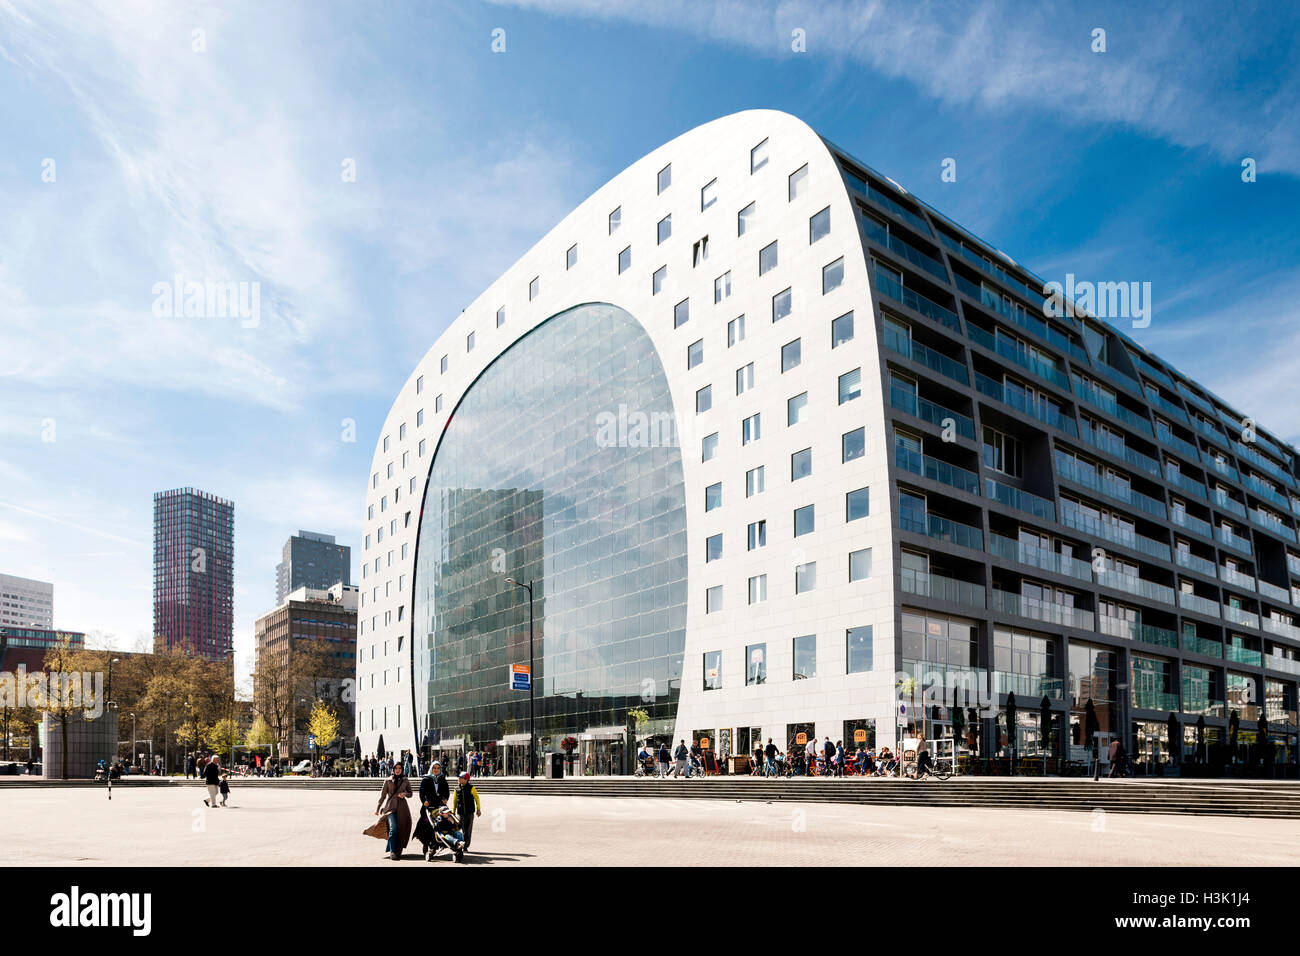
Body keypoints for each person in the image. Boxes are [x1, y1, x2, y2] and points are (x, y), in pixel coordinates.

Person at [374, 760, 413, 861]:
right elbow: (382, 796)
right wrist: (377, 808)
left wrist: (405, 794)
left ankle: (397, 850)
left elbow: (410, 793)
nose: (398, 770)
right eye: (396, 768)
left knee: (401, 829)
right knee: (393, 829)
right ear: (393, 769)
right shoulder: (387, 780)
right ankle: (392, 851)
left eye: (400, 768)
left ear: (402, 769)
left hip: (402, 808)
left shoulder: (405, 780)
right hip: (390, 808)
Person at [450, 771, 481, 849]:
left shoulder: (471, 788)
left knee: (468, 830)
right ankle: (461, 844)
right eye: (459, 777)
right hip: (460, 813)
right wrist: (453, 812)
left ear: (466, 779)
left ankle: (466, 845)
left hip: (470, 812)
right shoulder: (456, 789)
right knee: (460, 829)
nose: (459, 779)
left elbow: (477, 799)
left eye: (461, 778)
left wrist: (478, 809)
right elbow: (454, 801)